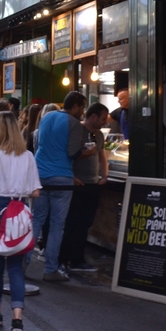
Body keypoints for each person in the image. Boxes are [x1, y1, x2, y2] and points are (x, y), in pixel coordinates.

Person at [0, 111, 41, 331]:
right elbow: (36, 191)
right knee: (16, 266)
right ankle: (18, 319)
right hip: (20, 211)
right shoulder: (27, 156)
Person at [32, 92, 89, 283]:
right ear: (74, 106)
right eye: (81, 107)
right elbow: (72, 152)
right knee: (57, 225)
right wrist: (90, 151)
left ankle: (23, 263)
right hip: (61, 177)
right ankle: (50, 269)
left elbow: (40, 143)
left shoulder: (47, 117)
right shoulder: (74, 123)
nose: (82, 112)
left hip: (39, 173)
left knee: (37, 220)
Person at [59, 103, 110, 273]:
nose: (105, 122)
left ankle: (78, 259)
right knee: (72, 223)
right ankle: (63, 259)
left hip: (92, 184)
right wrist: (71, 177)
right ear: (93, 116)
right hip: (77, 184)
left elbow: (102, 156)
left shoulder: (100, 135)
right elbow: (67, 156)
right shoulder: (76, 131)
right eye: (103, 119)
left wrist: (104, 176)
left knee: (85, 223)